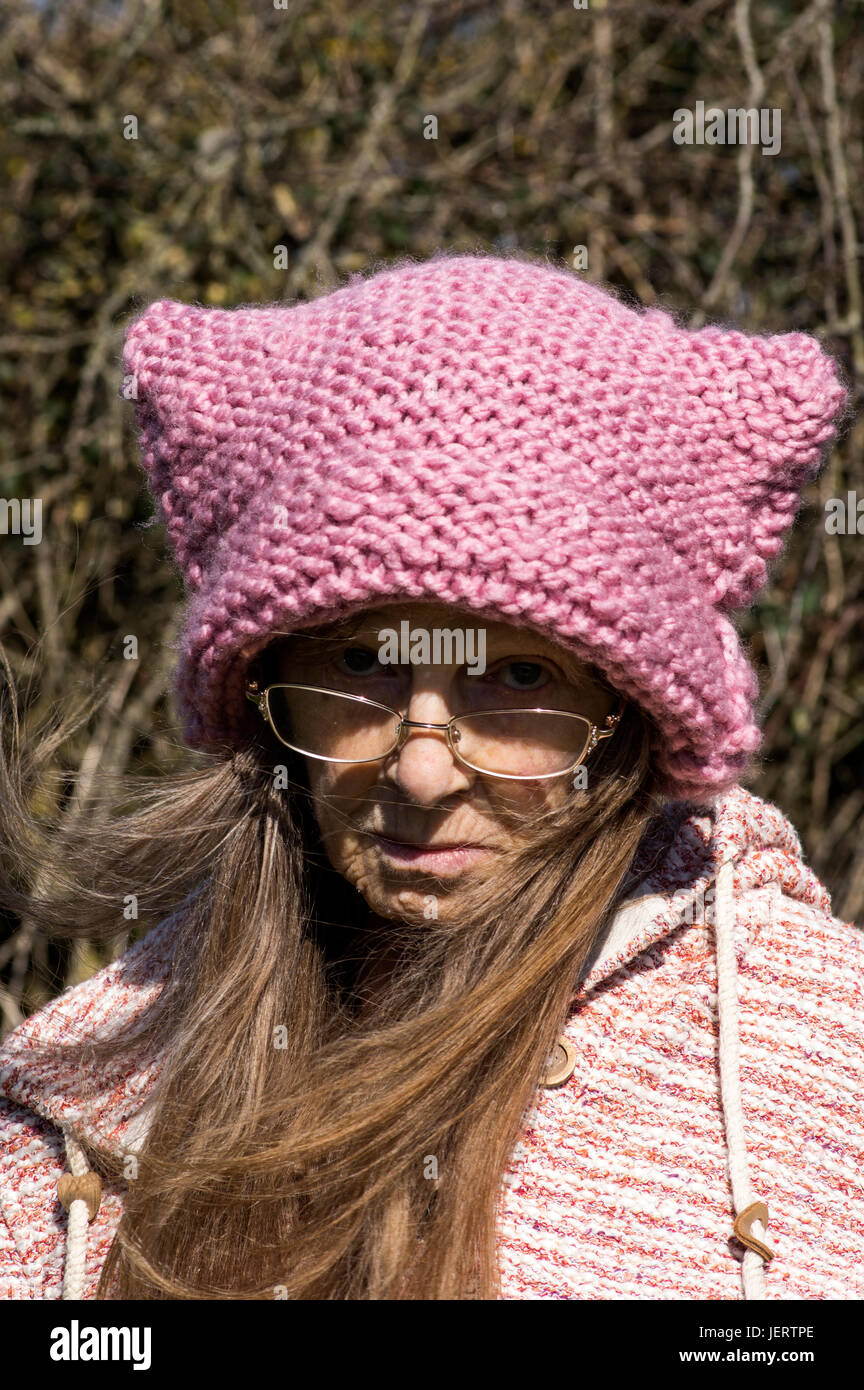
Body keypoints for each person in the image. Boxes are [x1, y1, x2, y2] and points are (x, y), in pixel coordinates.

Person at [0, 251, 861, 1301]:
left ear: (625, 706)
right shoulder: (70, 1121)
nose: (419, 769)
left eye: (518, 675)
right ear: (267, 684)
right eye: (361, 663)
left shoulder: (820, 1071)